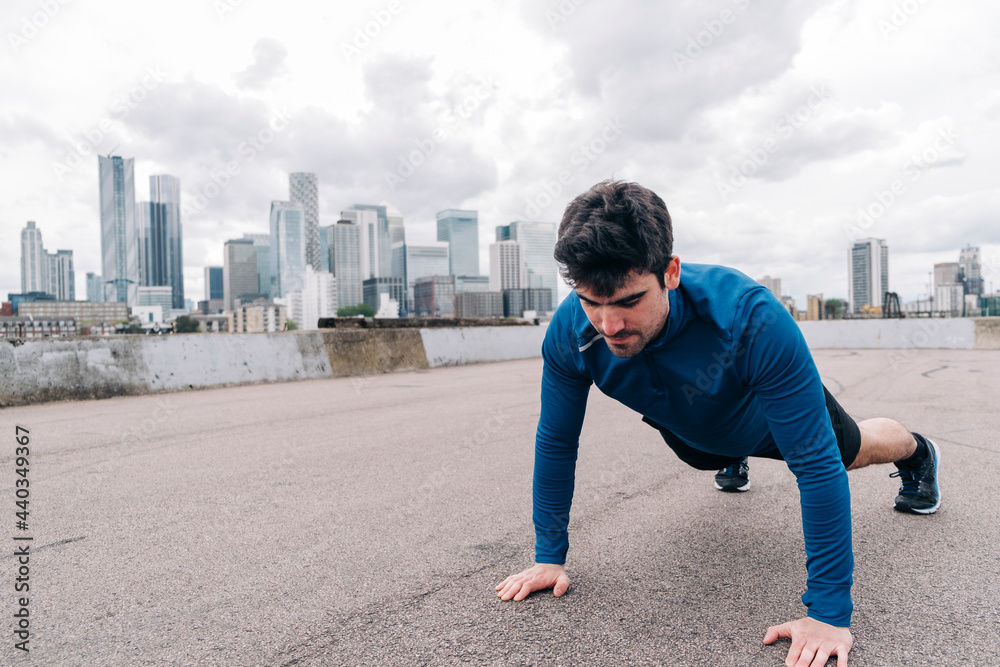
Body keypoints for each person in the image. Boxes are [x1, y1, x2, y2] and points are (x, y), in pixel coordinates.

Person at [495, 180, 941, 667]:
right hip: (696, 435)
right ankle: (732, 457)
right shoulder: (571, 333)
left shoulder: (750, 319)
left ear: (670, 272)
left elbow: (815, 467)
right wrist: (548, 556)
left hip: (772, 420)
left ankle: (918, 450)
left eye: (627, 301)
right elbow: (557, 442)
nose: (609, 325)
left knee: (851, 450)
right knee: (701, 452)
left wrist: (828, 613)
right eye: (590, 301)